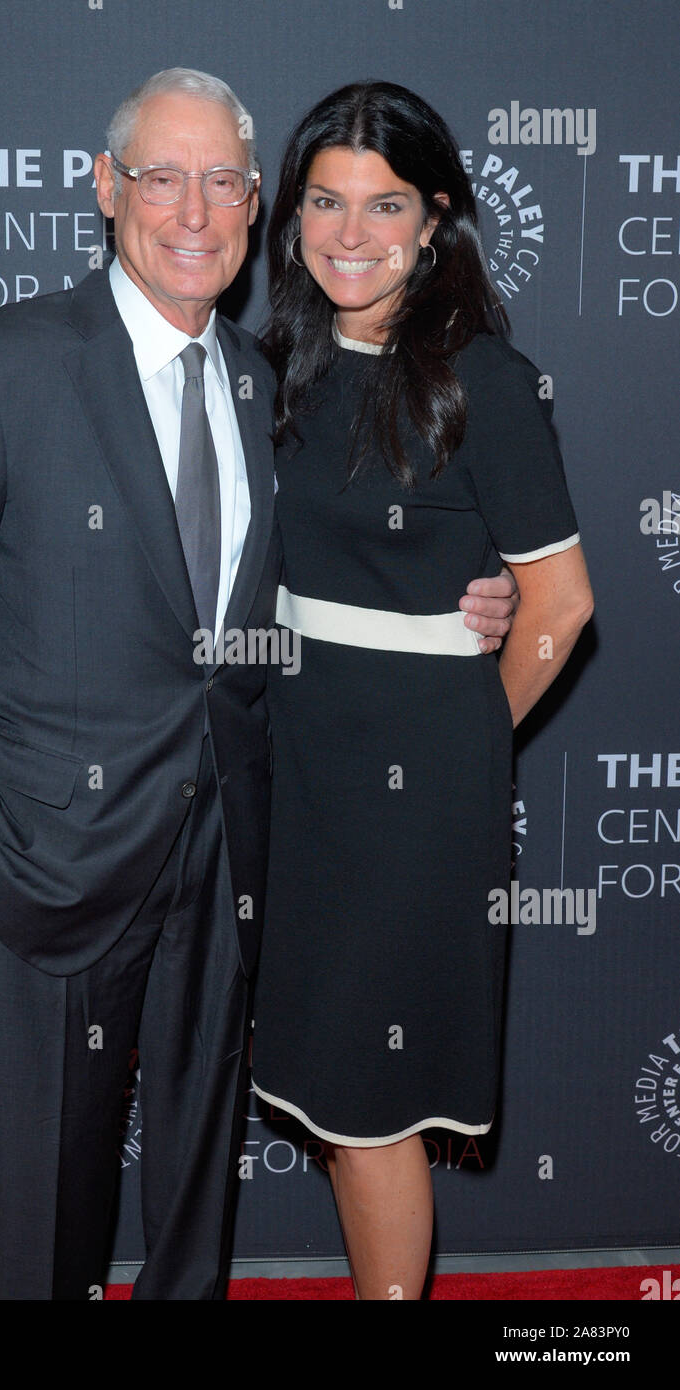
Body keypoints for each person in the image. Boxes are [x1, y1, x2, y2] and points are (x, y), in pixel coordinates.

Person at [0, 68, 517, 1301]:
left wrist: (470, 593)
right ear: (106, 189)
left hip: (223, 865)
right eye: (160, 175)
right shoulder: (2, 364)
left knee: (195, 1213)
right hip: (42, 864)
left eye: (223, 179)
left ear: (256, 197)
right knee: (44, 1228)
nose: (194, 210)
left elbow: (336, 567)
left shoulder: (268, 382)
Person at [250, 81, 594, 1301]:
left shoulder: (480, 378)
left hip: (412, 807)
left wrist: (457, 751)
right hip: (289, 785)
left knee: (367, 1105)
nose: (351, 234)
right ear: (290, 216)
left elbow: (558, 606)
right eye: (326, 202)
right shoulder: (271, 369)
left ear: (436, 216)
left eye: (385, 204)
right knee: (334, 1097)